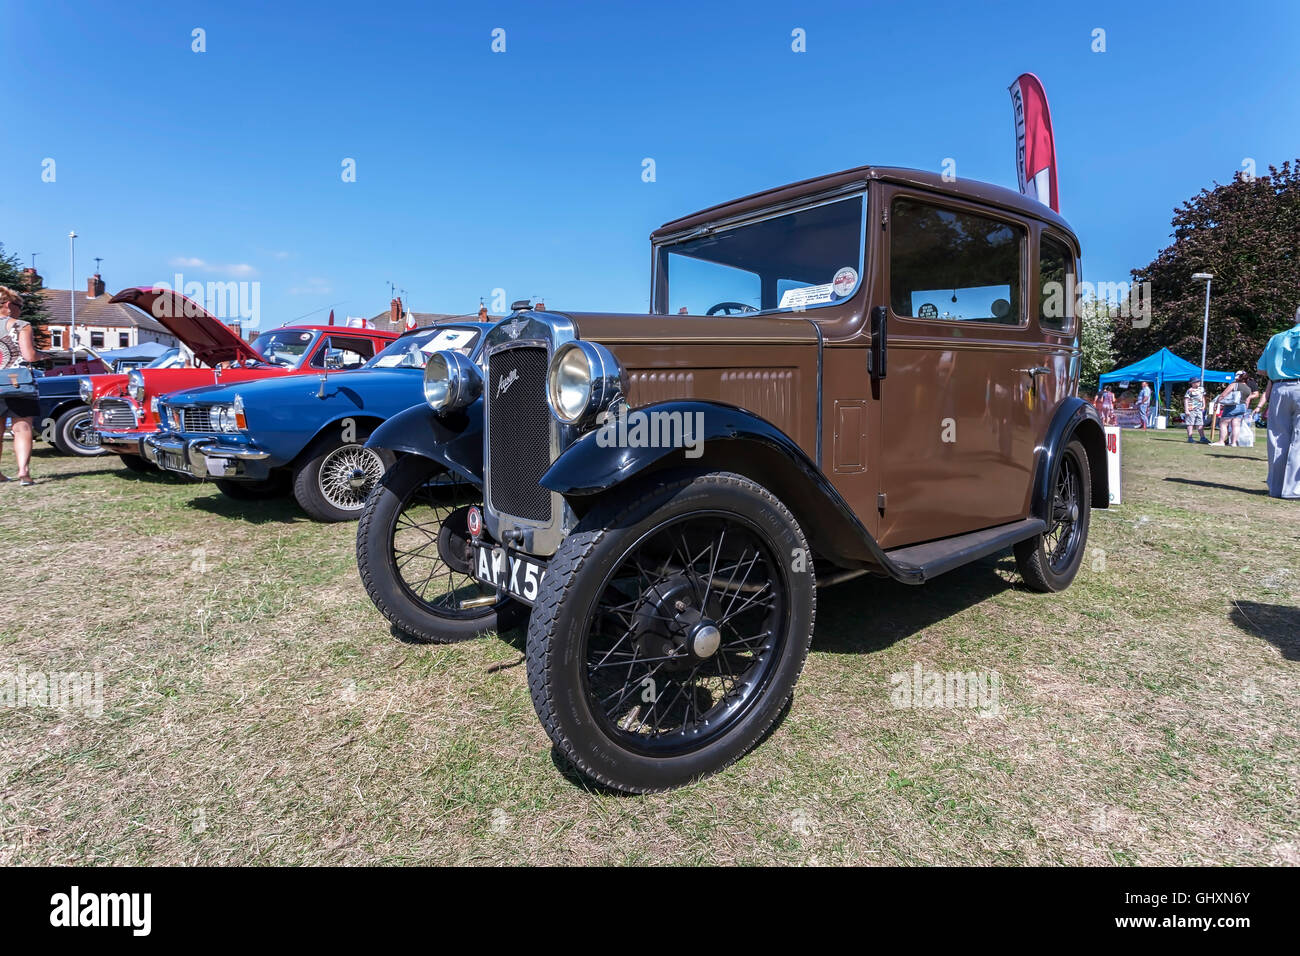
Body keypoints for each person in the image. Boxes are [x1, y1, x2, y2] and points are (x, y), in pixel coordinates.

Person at [0, 286, 50, 485]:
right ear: (9, 305)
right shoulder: (21, 325)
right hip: (17, 383)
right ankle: (23, 473)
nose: (21, 309)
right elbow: (29, 356)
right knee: (21, 428)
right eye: (19, 305)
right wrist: (42, 355)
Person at [1255, 307, 1300, 499]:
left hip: (1279, 388)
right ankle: (1293, 489)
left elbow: (1262, 370)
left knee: (1277, 438)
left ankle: (1275, 487)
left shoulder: (1276, 338)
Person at [1212, 372, 1252, 446]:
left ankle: (1221, 441)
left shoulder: (1234, 385)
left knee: (1223, 423)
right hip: (1242, 406)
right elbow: (1247, 400)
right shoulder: (1248, 388)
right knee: (1236, 425)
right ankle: (1233, 443)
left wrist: (1217, 403)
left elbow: (1223, 394)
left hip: (1232, 406)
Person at [1183, 378, 1209, 443]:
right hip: (1191, 409)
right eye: (1197, 382)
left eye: (1199, 381)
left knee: (1200, 423)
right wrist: (1186, 410)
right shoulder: (1189, 390)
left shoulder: (1201, 389)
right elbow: (1186, 400)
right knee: (1190, 423)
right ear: (1192, 383)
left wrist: (1204, 405)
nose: (1198, 382)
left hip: (1199, 409)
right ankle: (1190, 438)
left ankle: (1202, 438)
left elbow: (1203, 397)